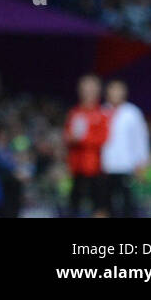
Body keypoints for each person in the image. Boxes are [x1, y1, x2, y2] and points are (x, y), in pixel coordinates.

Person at [101, 80, 149, 218]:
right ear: (107, 92)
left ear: (125, 92)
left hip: (127, 166)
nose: (116, 92)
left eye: (119, 89)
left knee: (128, 204)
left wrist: (142, 161)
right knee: (106, 204)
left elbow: (141, 139)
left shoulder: (133, 112)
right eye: (113, 89)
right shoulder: (102, 111)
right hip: (106, 165)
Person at [65, 75, 110, 217]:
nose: (88, 91)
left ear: (98, 90)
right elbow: (67, 135)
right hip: (76, 167)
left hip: (96, 168)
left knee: (99, 206)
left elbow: (103, 138)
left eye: (92, 87)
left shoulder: (102, 113)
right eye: (85, 87)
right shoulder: (74, 112)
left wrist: (81, 139)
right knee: (74, 205)